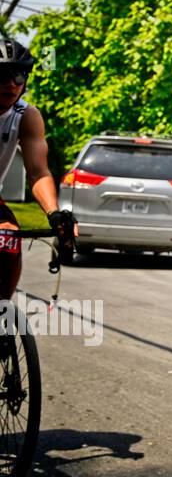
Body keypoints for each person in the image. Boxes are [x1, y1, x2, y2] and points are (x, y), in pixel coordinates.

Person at [0, 38, 76, 303]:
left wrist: (54, 214)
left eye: (18, 75)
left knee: (7, 241)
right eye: (2, 75)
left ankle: (2, 315)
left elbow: (38, 171)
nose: (11, 83)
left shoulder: (26, 115)